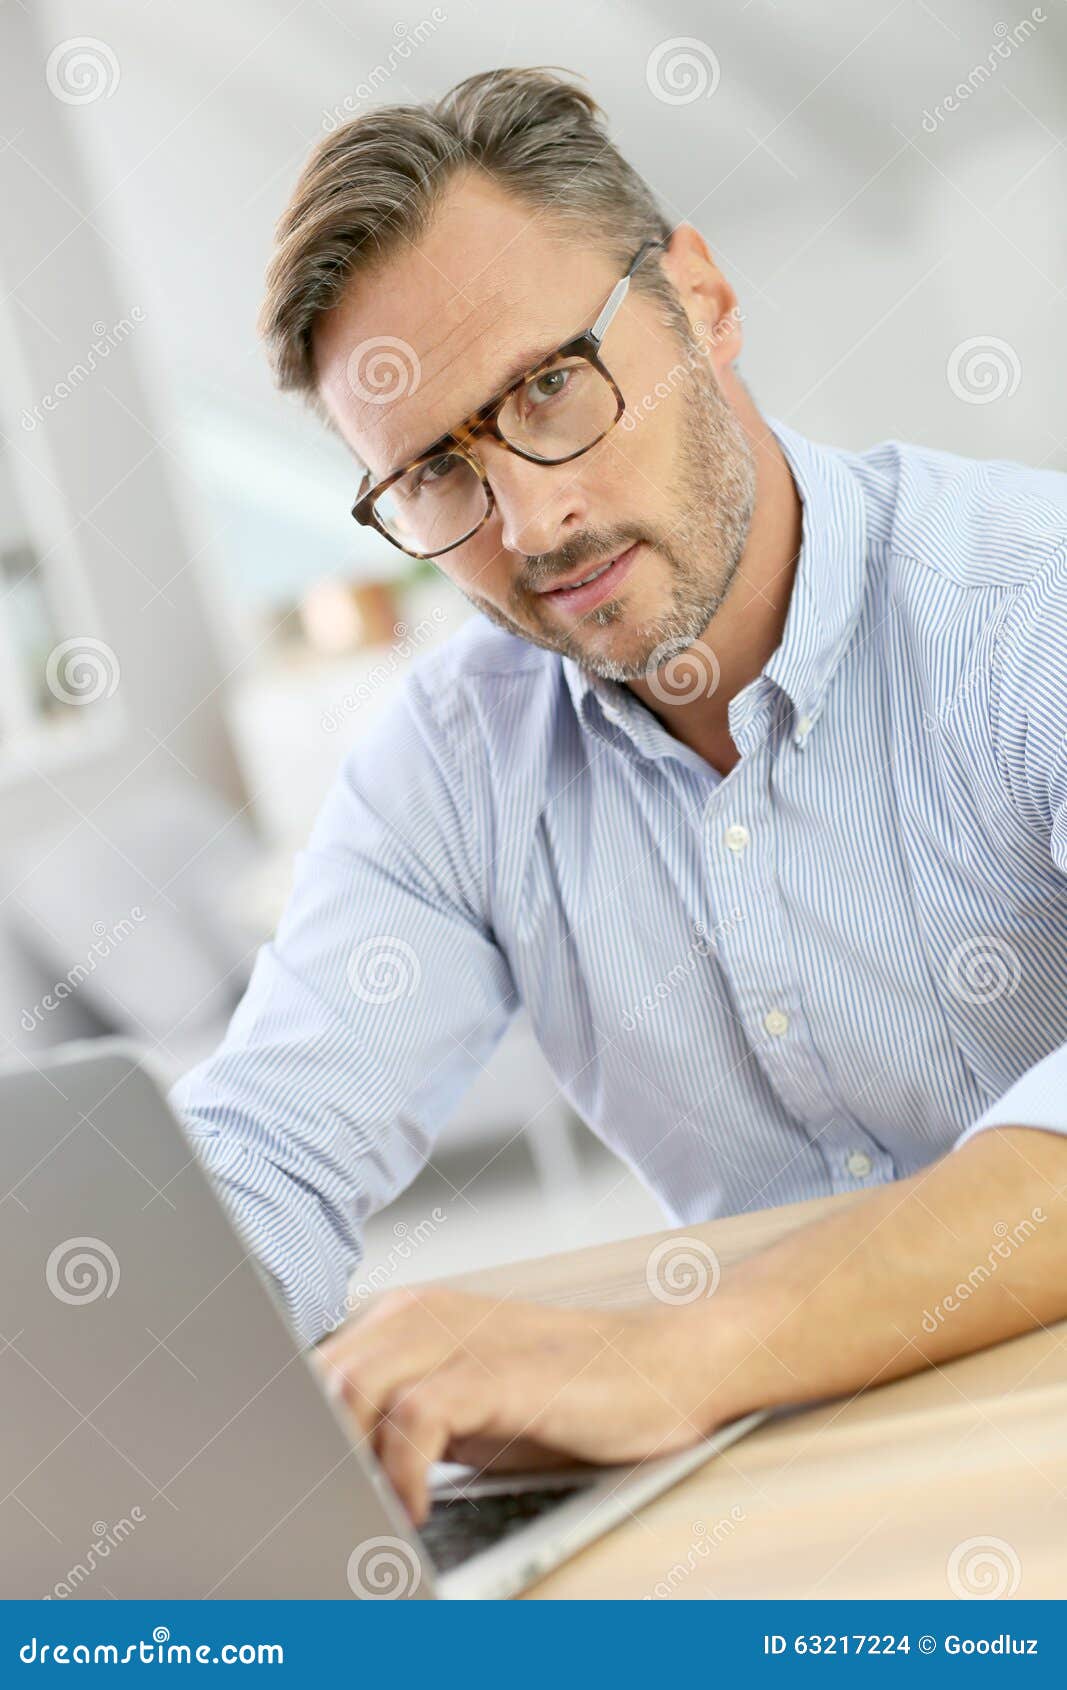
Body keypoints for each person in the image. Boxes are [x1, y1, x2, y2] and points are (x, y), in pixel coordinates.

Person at [172, 67, 1067, 1526]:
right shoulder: (454, 765)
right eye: (432, 473)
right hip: (807, 1499)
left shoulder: (1032, 601)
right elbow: (266, 1147)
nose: (533, 519)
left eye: (546, 390)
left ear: (700, 300)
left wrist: (677, 1354)